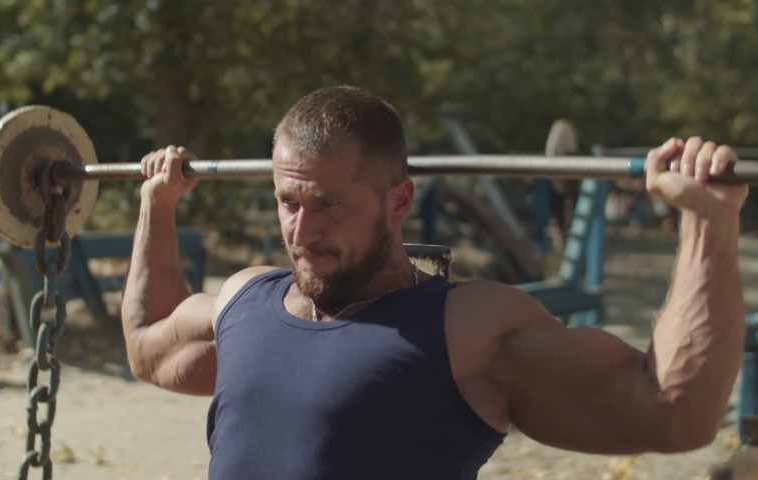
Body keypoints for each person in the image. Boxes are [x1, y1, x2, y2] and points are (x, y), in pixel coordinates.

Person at [121, 86, 748, 479]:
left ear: (399, 201)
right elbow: (149, 343)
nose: (302, 231)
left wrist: (706, 222)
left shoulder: (462, 330)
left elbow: (675, 415)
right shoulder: (245, 299)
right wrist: (158, 204)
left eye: (330, 205)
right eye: (288, 201)